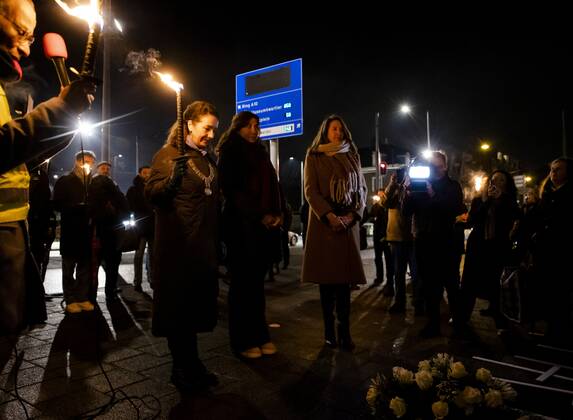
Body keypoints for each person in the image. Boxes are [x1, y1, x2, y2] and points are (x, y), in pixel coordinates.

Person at [0, 0, 95, 335]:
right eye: (21, 32)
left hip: (14, 230)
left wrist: (65, 117)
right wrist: (57, 111)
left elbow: (20, 159)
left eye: (31, 37)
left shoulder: (5, 89)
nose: (27, 49)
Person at [145, 101, 220, 393]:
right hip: (177, 250)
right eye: (207, 128)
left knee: (195, 312)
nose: (211, 135)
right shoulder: (167, 155)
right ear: (189, 124)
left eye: (214, 129)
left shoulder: (209, 161)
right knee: (179, 313)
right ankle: (181, 368)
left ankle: (194, 364)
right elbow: (153, 196)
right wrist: (170, 184)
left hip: (203, 249)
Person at [217, 111, 282, 359]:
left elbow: (273, 187)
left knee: (256, 286)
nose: (255, 130)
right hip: (241, 227)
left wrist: (277, 212)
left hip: (261, 230)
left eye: (257, 126)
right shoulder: (230, 152)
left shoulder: (261, 153)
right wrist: (260, 214)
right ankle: (242, 340)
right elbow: (233, 192)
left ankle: (260, 335)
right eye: (250, 126)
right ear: (238, 128)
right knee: (242, 286)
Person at [301, 115, 367, 350]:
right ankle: (329, 332)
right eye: (333, 129)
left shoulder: (352, 155)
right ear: (325, 132)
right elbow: (311, 191)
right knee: (327, 284)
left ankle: (345, 332)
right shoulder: (314, 155)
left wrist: (352, 216)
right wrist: (329, 216)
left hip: (347, 224)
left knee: (344, 284)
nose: (338, 133)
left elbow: (362, 190)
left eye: (341, 129)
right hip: (324, 225)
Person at [402, 151, 466, 337]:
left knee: (452, 286)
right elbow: (406, 212)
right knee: (430, 287)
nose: (435, 169)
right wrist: (407, 193)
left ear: (445, 166)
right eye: (431, 166)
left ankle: (459, 324)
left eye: (438, 166)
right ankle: (433, 324)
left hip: (447, 244)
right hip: (425, 243)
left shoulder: (453, 186)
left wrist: (432, 195)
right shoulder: (419, 187)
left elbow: (452, 209)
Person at [459, 170, 520, 330]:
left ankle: (501, 322)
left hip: (497, 247)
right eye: (493, 180)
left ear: (506, 184)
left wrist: (501, 199)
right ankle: (462, 317)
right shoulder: (480, 199)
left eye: (500, 180)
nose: (495, 183)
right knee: (469, 284)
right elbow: (471, 220)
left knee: (496, 284)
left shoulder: (509, 200)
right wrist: (487, 202)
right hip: (478, 246)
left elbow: (515, 216)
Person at [532, 158, 573, 346]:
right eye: (551, 170)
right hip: (545, 250)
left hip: (563, 250)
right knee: (548, 289)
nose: (553, 173)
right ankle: (552, 326)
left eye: (558, 170)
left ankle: (561, 328)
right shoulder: (546, 194)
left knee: (561, 290)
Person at [52, 151, 97, 313]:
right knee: (69, 267)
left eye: (91, 162)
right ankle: (70, 298)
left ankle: (82, 297)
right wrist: (75, 207)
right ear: (77, 162)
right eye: (85, 161)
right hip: (71, 231)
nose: (89, 165)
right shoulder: (65, 180)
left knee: (84, 268)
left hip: (87, 231)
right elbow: (56, 204)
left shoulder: (92, 182)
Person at [380, 169, 420, 314]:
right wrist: (392, 184)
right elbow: (384, 203)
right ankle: (399, 302)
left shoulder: (415, 188)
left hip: (413, 237)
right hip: (396, 238)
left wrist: (411, 188)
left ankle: (418, 302)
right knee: (398, 273)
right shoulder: (394, 190)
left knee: (416, 274)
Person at [89, 161, 128, 302]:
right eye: (103, 168)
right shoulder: (95, 183)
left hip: (109, 228)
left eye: (107, 168)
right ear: (97, 169)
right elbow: (123, 203)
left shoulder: (112, 184)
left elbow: (123, 203)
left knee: (107, 263)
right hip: (101, 229)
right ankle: (105, 292)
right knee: (104, 263)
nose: (105, 170)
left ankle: (104, 291)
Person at [126, 165, 154, 292]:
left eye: (149, 173)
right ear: (140, 173)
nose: (147, 175)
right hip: (140, 226)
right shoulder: (134, 189)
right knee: (139, 255)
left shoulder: (154, 186)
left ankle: (152, 279)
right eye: (145, 173)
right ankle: (137, 282)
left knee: (153, 256)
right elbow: (130, 206)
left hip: (153, 226)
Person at [370, 188, 394, 291]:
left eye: (382, 195)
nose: (380, 197)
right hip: (377, 237)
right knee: (378, 258)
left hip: (386, 237)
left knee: (389, 260)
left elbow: (388, 221)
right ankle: (379, 277)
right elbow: (370, 217)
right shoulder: (375, 206)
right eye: (378, 195)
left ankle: (389, 281)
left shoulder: (387, 208)